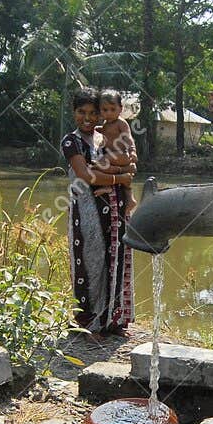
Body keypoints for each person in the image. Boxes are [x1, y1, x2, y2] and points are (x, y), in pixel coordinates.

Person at [62, 87, 135, 334]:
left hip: (112, 209)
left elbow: (128, 158)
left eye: (93, 113)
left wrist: (126, 176)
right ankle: (88, 324)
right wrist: (121, 179)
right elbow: (84, 175)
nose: (88, 118)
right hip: (86, 211)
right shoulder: (71, 141)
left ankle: (112, 321)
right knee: (89, 263)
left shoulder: (103, 137)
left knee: (115, 259)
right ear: (73, 113)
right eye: (82, 112)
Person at [95, 88, 139, 213]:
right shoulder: (106, 123)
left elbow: (128, 137)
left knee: (102, 161)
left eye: (112, 109)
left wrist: (132, 151)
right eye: (105, 110)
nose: (108, 113)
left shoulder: (121, 123)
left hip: (122, 155)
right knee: (119, 175)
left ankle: (108, 186)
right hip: (112, 155)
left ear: (120, 109)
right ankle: (130, 199)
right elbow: (103, 131)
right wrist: (94, 128)